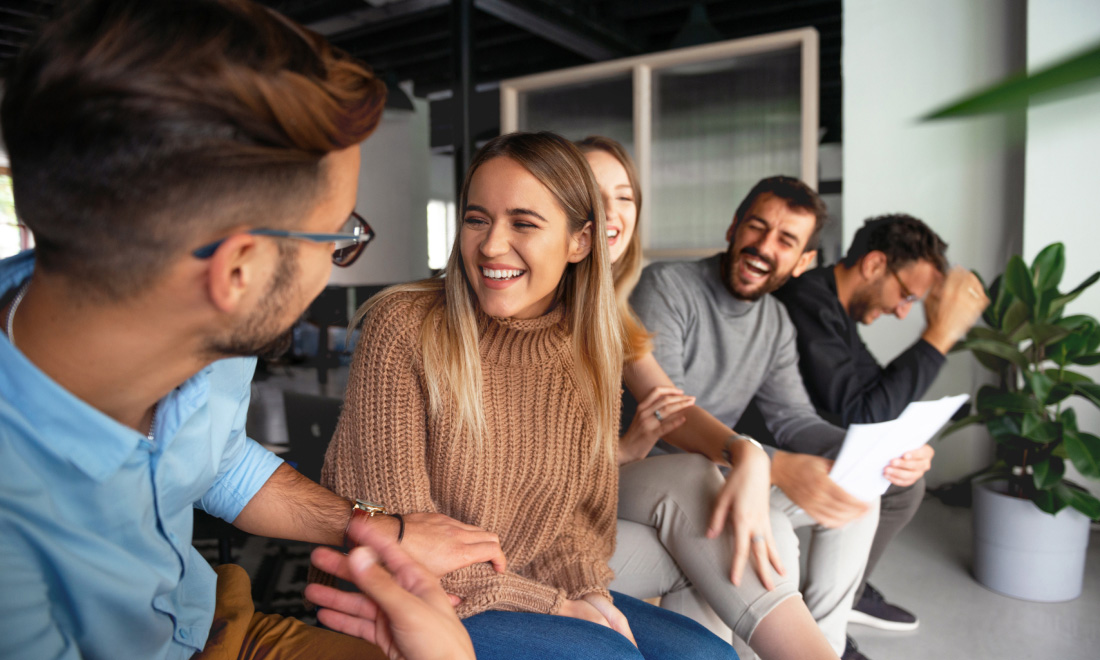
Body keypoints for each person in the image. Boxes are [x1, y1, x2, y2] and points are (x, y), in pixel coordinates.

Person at [0, 2, 500, 658]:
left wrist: (377, 527)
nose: (333, 264)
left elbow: (218, 458)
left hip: (220, 624)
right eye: (337, 238)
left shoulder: (201, 327)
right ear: (239, 270)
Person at [316, 131, 737, 660]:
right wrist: (559, 609)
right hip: (405, 595)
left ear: (579, 241)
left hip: (521, 589)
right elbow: (402, 540)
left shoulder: (590, 349)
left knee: (707, 656)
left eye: (523, 223)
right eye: (476, 219)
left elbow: (578, 522)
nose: (491, 245)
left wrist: (587, 594)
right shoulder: (403, 328)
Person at [627, 175, 915, 660]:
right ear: (733, 227)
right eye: (756, 228)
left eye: (785, 240)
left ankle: (828, 645)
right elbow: (667, 416)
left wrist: (871, 448)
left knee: (858, 490)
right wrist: (769, 463)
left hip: (731, 468)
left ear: (803, 262)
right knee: (756, 525)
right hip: (650, 469)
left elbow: (795, 419)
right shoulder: (668, 285)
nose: (763, 247)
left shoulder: (776, 325)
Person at [576, 137, 841, 660]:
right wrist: (743, 456)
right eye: (590, 191)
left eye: (624, 196)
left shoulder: (609, 311)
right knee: (720, 519)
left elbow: (667, 403)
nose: (611, 210)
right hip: (539, 523)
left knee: (748, 525)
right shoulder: (667, 286)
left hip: (607, 483)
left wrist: (744, 451)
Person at [767, 214, 988, 631]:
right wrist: (938, 336)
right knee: (899, 484)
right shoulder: (808, 301)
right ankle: (831, 605)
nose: (903, 313)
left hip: (809, 437)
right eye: (906, 295)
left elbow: (875, 394)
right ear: (873, 265)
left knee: (905, 479)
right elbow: (860, 414)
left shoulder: (835, 309)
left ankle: (850, 589)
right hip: (769, 445)